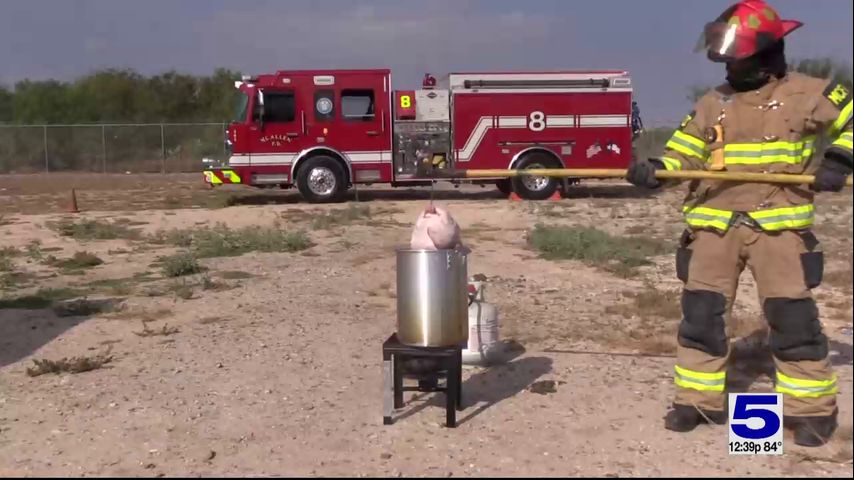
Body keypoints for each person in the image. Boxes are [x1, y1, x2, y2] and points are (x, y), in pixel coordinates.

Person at [626, 0, 852, 447]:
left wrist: (840, 158)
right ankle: (696, 402)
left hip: (779, 230)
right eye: (725, 60)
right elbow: (684, 152)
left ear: (766, 55)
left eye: (737, 59)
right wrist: (656, 169)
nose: (729, 68)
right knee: (701, 319)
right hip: (713, 230)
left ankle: (811, 413)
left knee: (793, 322)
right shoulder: (714, 103)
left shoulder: (810, 92)